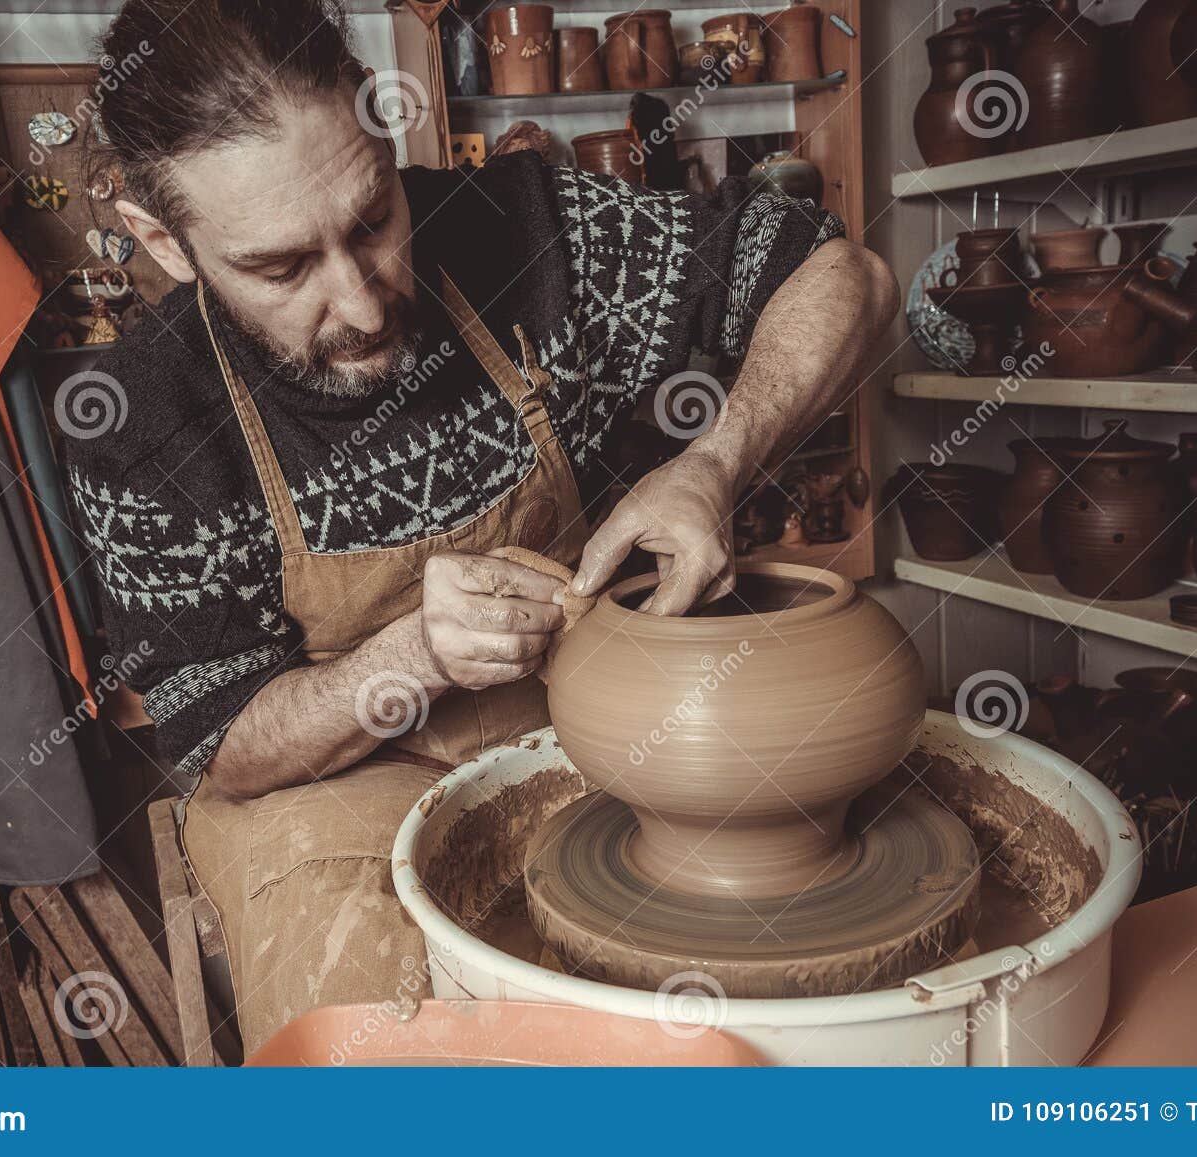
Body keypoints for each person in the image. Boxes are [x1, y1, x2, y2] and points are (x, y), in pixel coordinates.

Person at [66, 0, 899, 1048]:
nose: (364, 305)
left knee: (754, 1006)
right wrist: (412, 651)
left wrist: (715, 462)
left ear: (377, 127)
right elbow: (218, 742)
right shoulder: (139, 421)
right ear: (165, 242)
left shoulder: (529, 227)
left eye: (372, 220)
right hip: (324, 792)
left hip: (583, 726)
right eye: (281, 269)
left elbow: (843, 274)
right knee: (384, 1055)